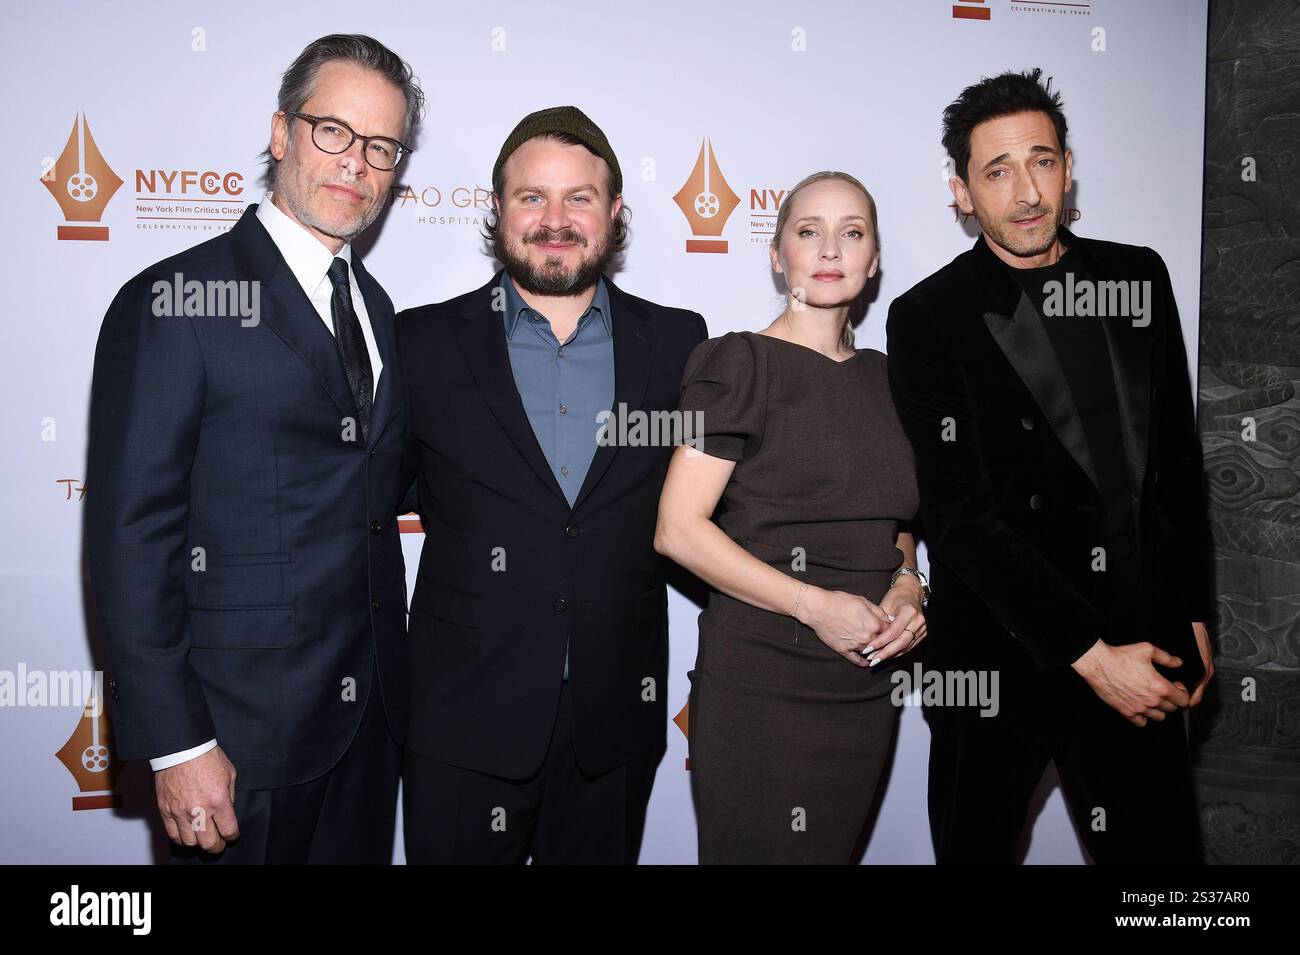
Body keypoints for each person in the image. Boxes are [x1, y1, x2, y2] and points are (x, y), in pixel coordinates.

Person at [86, 34, 423, 863]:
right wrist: (177, 743)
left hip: (369, 725)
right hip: (234, 740)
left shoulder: (378, 309)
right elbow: (132, 537)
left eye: (382, 147)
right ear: (281, 133)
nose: (357, 164)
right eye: (333, 131)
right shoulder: (178, 299)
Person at [886, 68, 1215, 864]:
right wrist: (1091, 657)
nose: (1026, 191)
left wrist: (1195, 612)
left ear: (1069, 168)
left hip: (1145, 644)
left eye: (1042, 161)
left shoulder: (1138, 276)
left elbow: (1174, 461)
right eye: (997, 171)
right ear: (962, 192)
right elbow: (959, 517)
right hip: (999, 662)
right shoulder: (930, 316)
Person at [397, 106, 707, 864]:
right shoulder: (420, 342)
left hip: (613, 722)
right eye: (532, 197)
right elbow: (361, 513)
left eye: (580, 197)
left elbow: (717, 510)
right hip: (461, 720)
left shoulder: (679, 343)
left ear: (615, 212)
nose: (555, 219)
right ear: (498, 210)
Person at [655, 171, 925, 864]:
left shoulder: (890, 379)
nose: (830, 249)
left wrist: (907, 582)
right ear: (778, 255)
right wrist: (813, 605)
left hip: (865, 686)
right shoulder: (737, 362)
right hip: (764, 687)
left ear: (874, 260)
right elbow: (678, 528)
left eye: (852, 233)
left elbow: (894, 517)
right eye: (809, 231)